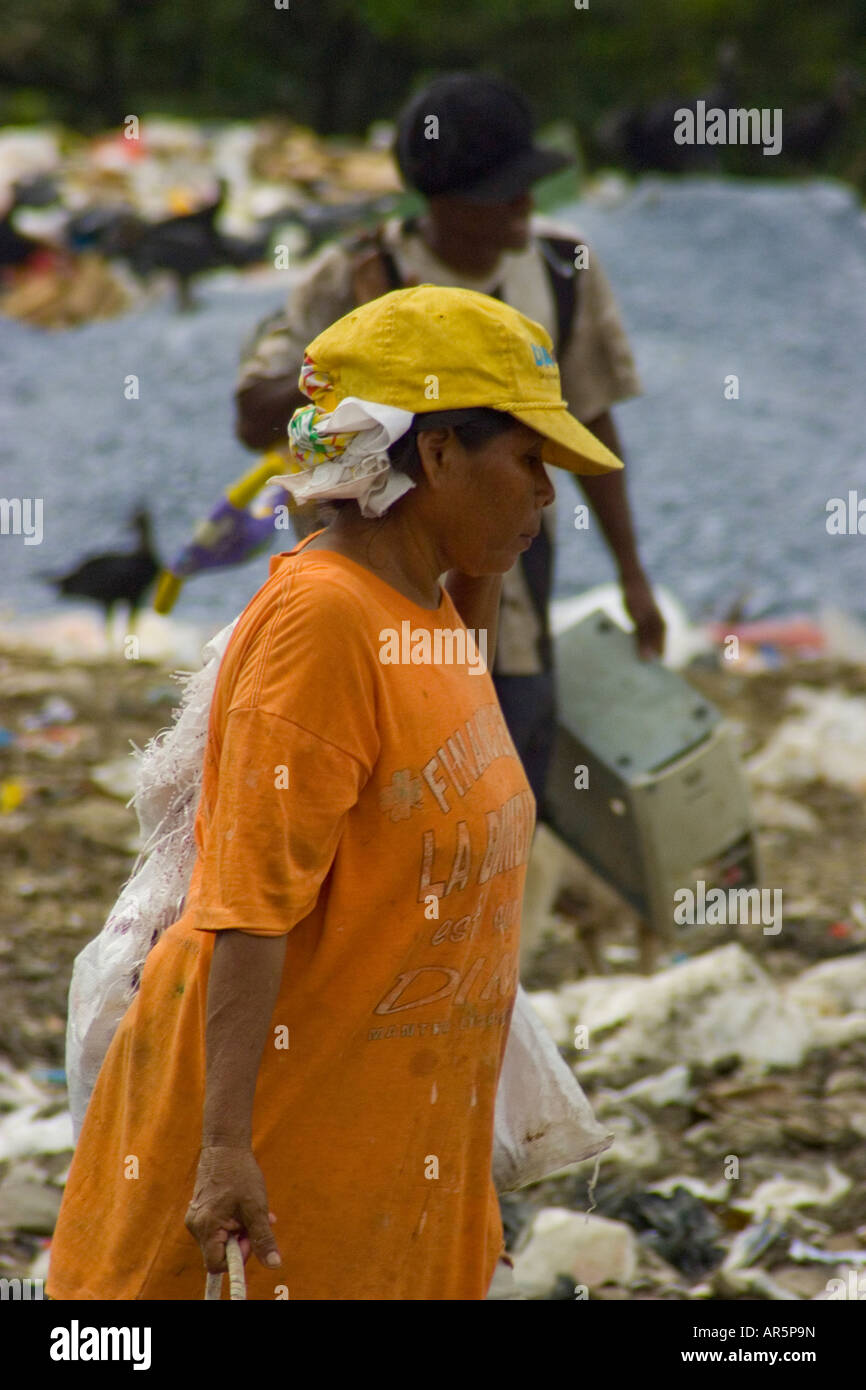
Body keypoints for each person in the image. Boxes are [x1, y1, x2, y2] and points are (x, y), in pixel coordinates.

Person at [47, 285, 622, 1301]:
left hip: (392, 1144)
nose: (546, 493)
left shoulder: (425, 611)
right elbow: (246, 904)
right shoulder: (323, 624)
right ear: (435, 455)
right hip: (277, 1156)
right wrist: (224, 1152)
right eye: (529, 460)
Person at [235, 73, 665, 813]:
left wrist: (632, 573)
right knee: (384, 803)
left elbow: (588, 419)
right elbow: (254, 413)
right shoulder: (357, 277)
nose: (526, 206)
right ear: (443, 202)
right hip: (376, 597)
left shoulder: (562, 275)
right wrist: (371, 339)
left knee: (498, 792)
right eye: (504, 193)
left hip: (509, 588)